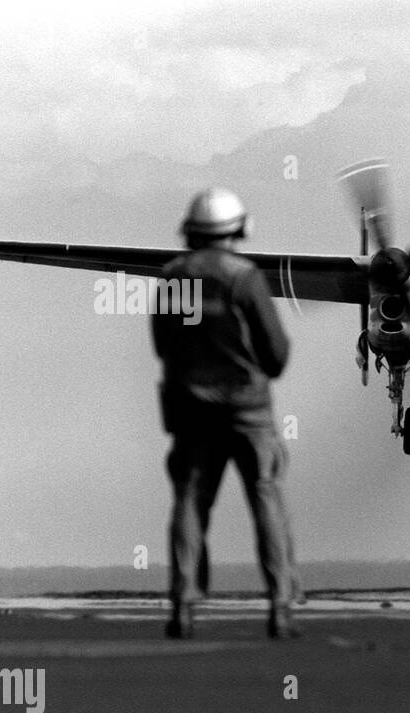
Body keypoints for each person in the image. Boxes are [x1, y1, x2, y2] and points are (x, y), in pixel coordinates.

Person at [151, 187, 301, 639]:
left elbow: (162, 345)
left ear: (191, 231)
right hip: (247, 409)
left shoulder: (172, 276)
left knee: (190, 501)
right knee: (265, 494)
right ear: (240, 229)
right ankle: (279, 604)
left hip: (192, 408)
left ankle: (183, 603)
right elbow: (275, 352)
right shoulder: (245, 276)